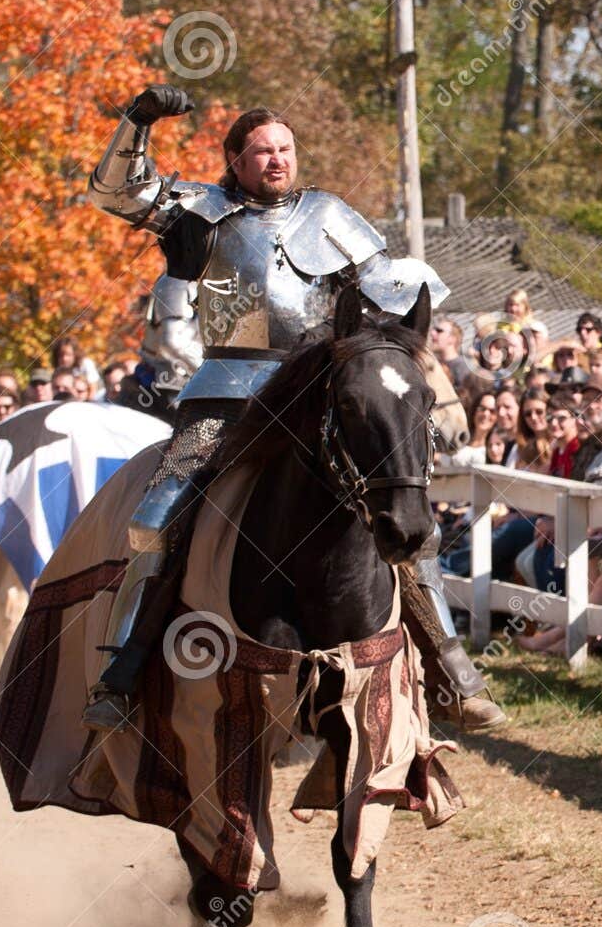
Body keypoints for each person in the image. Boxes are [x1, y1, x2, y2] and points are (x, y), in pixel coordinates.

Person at [82, 89, 500, 734]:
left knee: (400, 503)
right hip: (226, 392)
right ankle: (125, 667)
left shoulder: (331, 215)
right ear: (234, 158)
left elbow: (389, 297)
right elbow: (116, 194)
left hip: (315, 394)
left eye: (285, 149)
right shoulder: (201, 210)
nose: (277, 161)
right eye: (262, 151)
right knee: (155, 515)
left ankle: (451, 665)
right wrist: (137, 120)